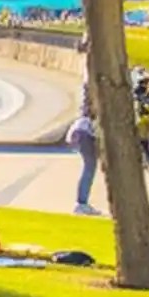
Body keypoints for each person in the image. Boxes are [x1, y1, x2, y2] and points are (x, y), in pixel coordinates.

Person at [67, 79, 101, 216]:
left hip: (81, 131)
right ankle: (81, 203)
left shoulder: (89, 96)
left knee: (90, 166)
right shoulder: (94, 97)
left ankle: (82, 202)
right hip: (84, 131)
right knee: (89, 166)